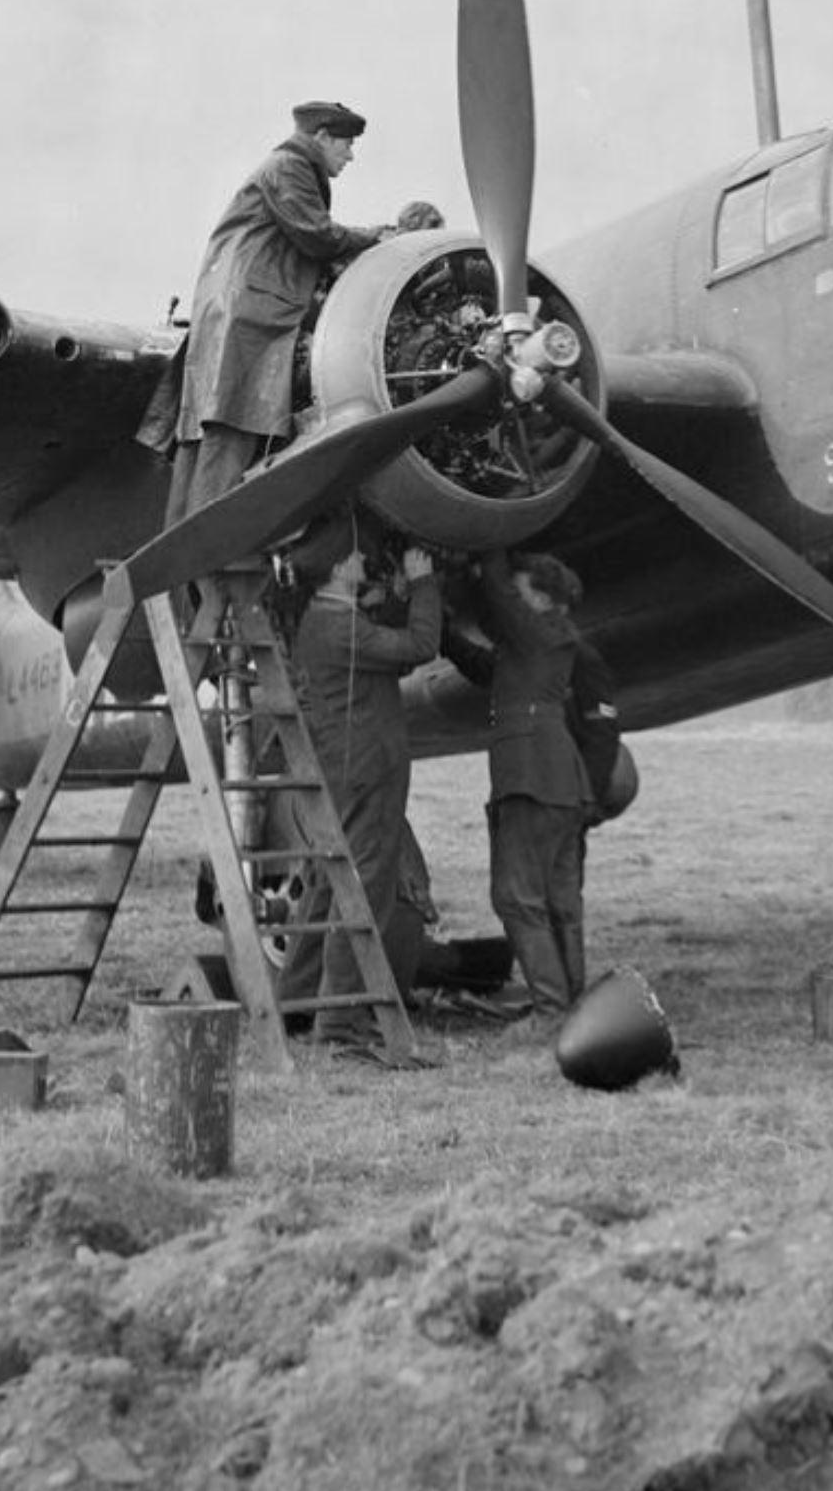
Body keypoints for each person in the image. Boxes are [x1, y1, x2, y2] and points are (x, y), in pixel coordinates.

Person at [155, 101, 416, 526]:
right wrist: (380, 236)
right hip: (253, 317)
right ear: (322, 137)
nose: (350, 156)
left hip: (241, 312)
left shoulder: (284, 167)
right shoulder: (290, 167)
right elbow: (316, 236)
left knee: (212, 435)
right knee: (233, 428)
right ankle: (207, 543)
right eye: (346, 145)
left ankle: (187, 545)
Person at [278, 541, 442, 1047]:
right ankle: (340, 1019)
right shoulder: (339, 625)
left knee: (330, 882)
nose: (360, 560)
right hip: (366, 766)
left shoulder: (330, 621)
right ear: (334, 570)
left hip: (346, 763)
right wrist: (422, 583)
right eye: (351, 557)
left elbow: (388, 659)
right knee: (364, 885)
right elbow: (419, 648)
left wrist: (395, 599)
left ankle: (297, 1000)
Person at [475, 545, 593, 1019]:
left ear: (542, 600)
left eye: (524, 595)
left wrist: (491, 537)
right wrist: (440, 628)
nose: (515, 603)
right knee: (561, 900)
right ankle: (571, 1002)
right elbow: (488, 669)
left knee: (517, 896)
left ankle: (549, 1009)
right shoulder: (543, 644)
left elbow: (499, 594)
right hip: (561, 784)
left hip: (531, 780)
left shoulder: (536, 632)